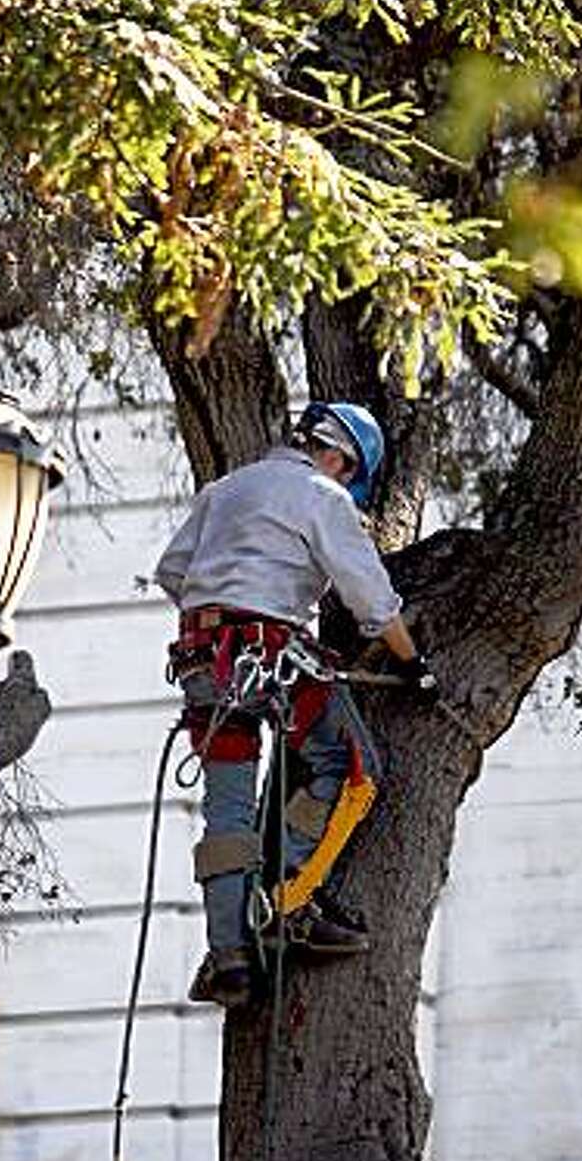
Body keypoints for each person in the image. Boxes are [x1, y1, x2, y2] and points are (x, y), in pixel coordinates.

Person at [154, 401, 435, 1008]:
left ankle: (229, 956)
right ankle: (286, 901)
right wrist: (414, 665)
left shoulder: (223, 490)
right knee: (350, 766)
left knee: (227, 811)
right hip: (267, 657)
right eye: (348, 475)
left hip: (203, 665)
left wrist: (225, 601)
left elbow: (173, 572)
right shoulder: (321, 495)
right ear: (340, 460)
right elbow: (372, 601)